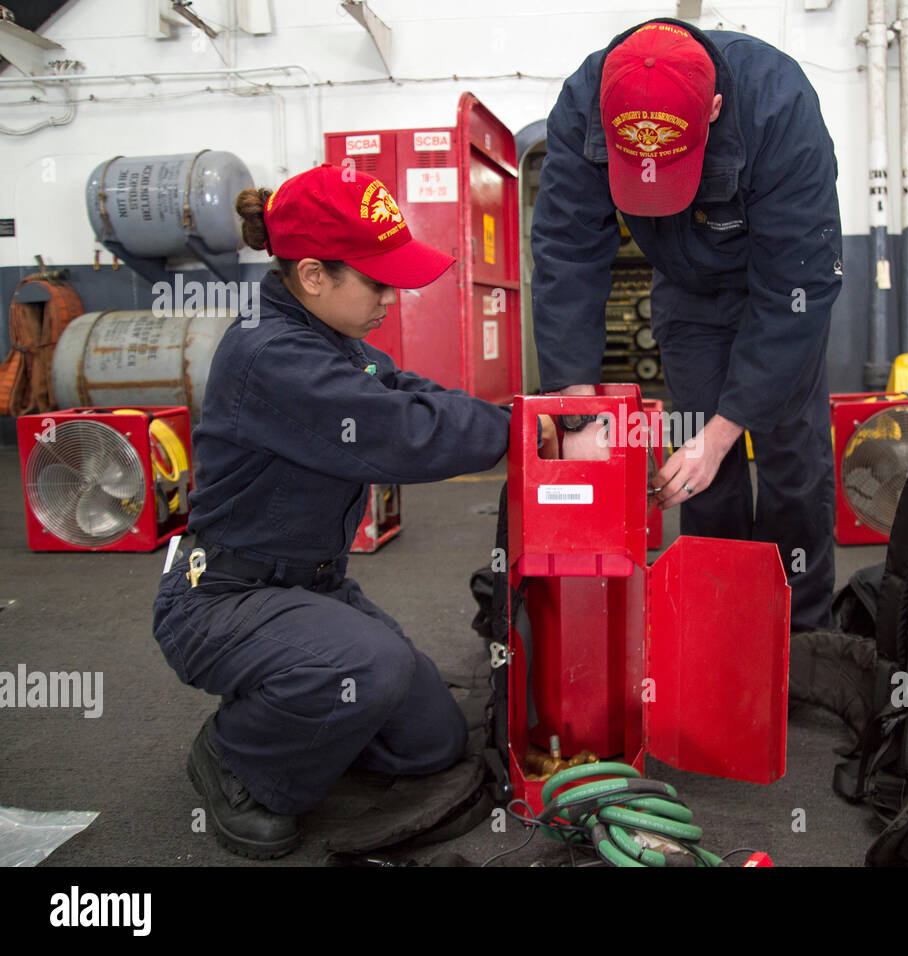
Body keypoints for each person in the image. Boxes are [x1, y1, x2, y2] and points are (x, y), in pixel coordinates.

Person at [151, 164, 550, 859]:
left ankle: (310, 717)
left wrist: (521, 416)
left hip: (309, 586)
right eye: (378, 280)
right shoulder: (271, 355)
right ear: (312, 276)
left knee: (432, 742)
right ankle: (235, 759)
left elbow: (414, 395)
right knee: (369, 668)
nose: (392, 297)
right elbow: (399, 431)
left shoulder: (331, 343)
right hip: (221, 597)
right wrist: (528, 436)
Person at [531, 18, 842, 631]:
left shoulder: (778, 105)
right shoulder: (582, 104)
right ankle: (719, 620)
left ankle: (800, 634)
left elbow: (798, 288)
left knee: (791, 462)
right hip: (687, 294)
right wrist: (578, 412)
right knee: (700, 470)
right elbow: (566, 254)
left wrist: (729, 431)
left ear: (716, 110)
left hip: (776, 289)